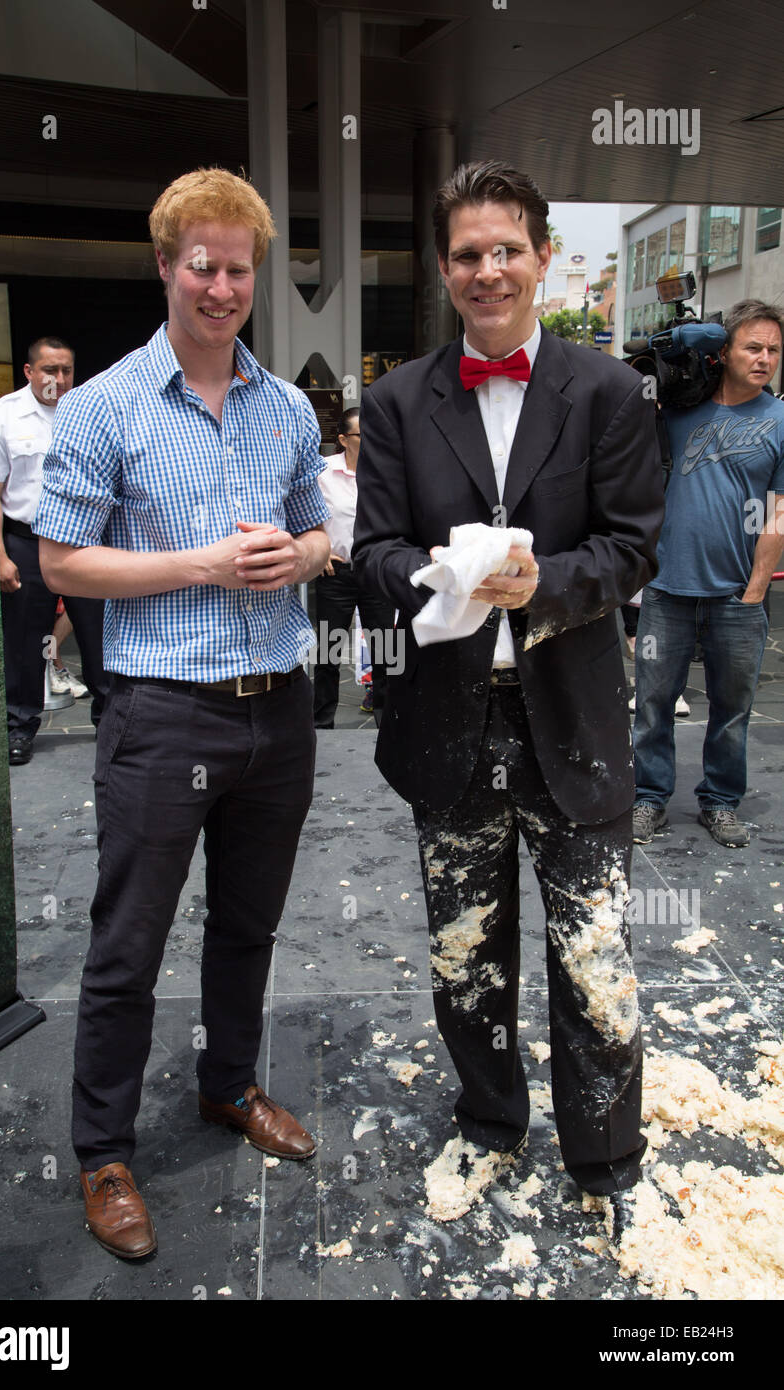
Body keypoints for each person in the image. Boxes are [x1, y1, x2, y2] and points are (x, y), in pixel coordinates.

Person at [352, 160, 664, 1236]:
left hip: (572, 717)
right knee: (463, 952)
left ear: (542, 257)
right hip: (447, 720)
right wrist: (430, 579)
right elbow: (370, 551)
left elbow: (629, 551)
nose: (487, 271)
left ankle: (606, 1157)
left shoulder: (611, 392)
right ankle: (487, 1122)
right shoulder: (394, 399)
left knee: (592, 957)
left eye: (506, 250)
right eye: (466, 254)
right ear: (444, 271)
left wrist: (546, 583)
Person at [32, 166, 331, 1260]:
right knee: (127, 944)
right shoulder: (105, 404)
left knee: (248, 926)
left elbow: (319, 537)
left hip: (277, 711)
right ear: (164, 266)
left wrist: (295, 554)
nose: (219, 287)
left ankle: (227, 1084)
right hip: (162, 713)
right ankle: (102, 1150)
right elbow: (63, 558)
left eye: (237, 269)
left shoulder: (288, 406)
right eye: (200, 265)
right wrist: (201, 563)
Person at [632, 299, 784, 848]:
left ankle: (720, 803)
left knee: (731, 711)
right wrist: (691, 340)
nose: (765, 357)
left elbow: (778, 513)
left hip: (738, 597)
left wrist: (756, 590)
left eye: (773, 349)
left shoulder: (781, 421)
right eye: (752, 346)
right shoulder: (676, 408)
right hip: (668, 589)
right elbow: (639, 371)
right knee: (651, 707)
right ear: (724, 351)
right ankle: (648, 798)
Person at [0, 337, 109, 765]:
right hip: (26, 543)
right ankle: (20, 729)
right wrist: (1, 555)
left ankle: (110, 721)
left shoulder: (89, 412)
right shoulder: (3, 415)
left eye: (66, 371)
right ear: (28, 371)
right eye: (49, 370)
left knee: (99, 638)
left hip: (84, 543)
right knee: (26, 643)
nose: (59, 379)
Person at [312, 405, 397, 727]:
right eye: (363, 434)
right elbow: (302, 510)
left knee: (388, 651)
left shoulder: (387, 470)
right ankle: (321, 722)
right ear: (345, 439)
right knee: (327, 653)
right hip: (337, 573)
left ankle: (388, 720)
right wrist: (318, 548)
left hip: (377, 572)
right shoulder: (321, 470)